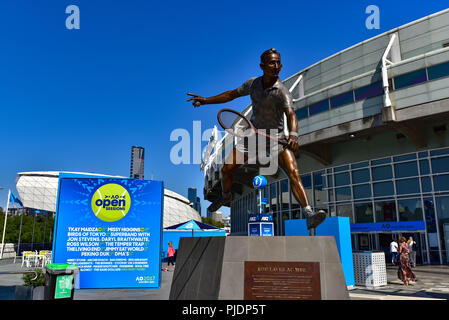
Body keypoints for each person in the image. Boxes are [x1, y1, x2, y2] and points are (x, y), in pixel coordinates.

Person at [187, 48, 326, 233]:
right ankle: (226, 196)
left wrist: (293, 135)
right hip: (252, 136)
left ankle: (309, 214)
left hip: (275, 138)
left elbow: (290, 114)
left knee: (293, 172)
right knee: (226, 169)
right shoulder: (252, 84)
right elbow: (231, 94)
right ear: (262, 66)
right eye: (271, 63)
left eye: (278, 63)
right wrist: (206, 100)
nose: (276, 66)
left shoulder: (282, 92)